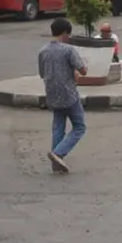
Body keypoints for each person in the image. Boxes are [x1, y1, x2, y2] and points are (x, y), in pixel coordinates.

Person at [38, 18, 87, 174]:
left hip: (52, 93)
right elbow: (83, 70)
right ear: (65, 33)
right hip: (69, 93)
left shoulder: (43, 51)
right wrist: (76, 72)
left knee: (58, 127)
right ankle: (58, 153)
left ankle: (56, 163)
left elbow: (42, 73)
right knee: (79, 126)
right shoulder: (68, 49)